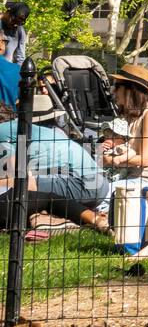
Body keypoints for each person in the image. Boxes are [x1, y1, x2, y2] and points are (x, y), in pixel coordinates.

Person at [0, 95, 110, 233]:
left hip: (86, 185)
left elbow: (25, 183)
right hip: (98, 184)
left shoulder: (3, 132)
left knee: (23, 187)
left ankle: (52, 218)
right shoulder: (41, 131)